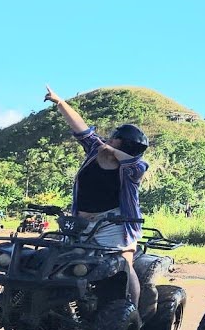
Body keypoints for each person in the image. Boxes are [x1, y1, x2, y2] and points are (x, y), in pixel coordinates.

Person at [45, 85, 150, 305]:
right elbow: (80, 128)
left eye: (114, 138)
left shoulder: (131, 169)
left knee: (123, 265)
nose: (108, 139)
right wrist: (60, 102)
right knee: (63, 261)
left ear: (121, 142)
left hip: (114, 225)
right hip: (80, 222)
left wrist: (111, 152)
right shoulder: (95, 150)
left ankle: (132, 313)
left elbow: (137, 164)